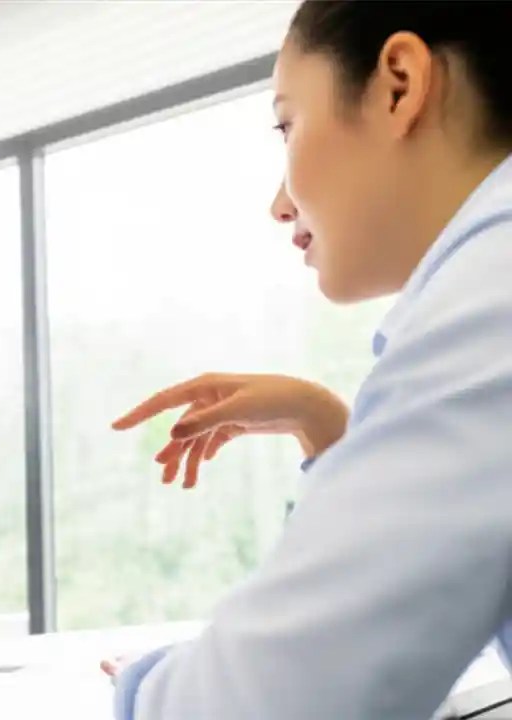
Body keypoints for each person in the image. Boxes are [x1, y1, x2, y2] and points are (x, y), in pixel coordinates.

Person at [103, 1, 512, 718]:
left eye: (287, 124)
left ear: (398, 84)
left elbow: (270, 700)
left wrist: (148, 682)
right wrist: (327, 428)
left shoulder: (493, 289)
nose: (278, 205)